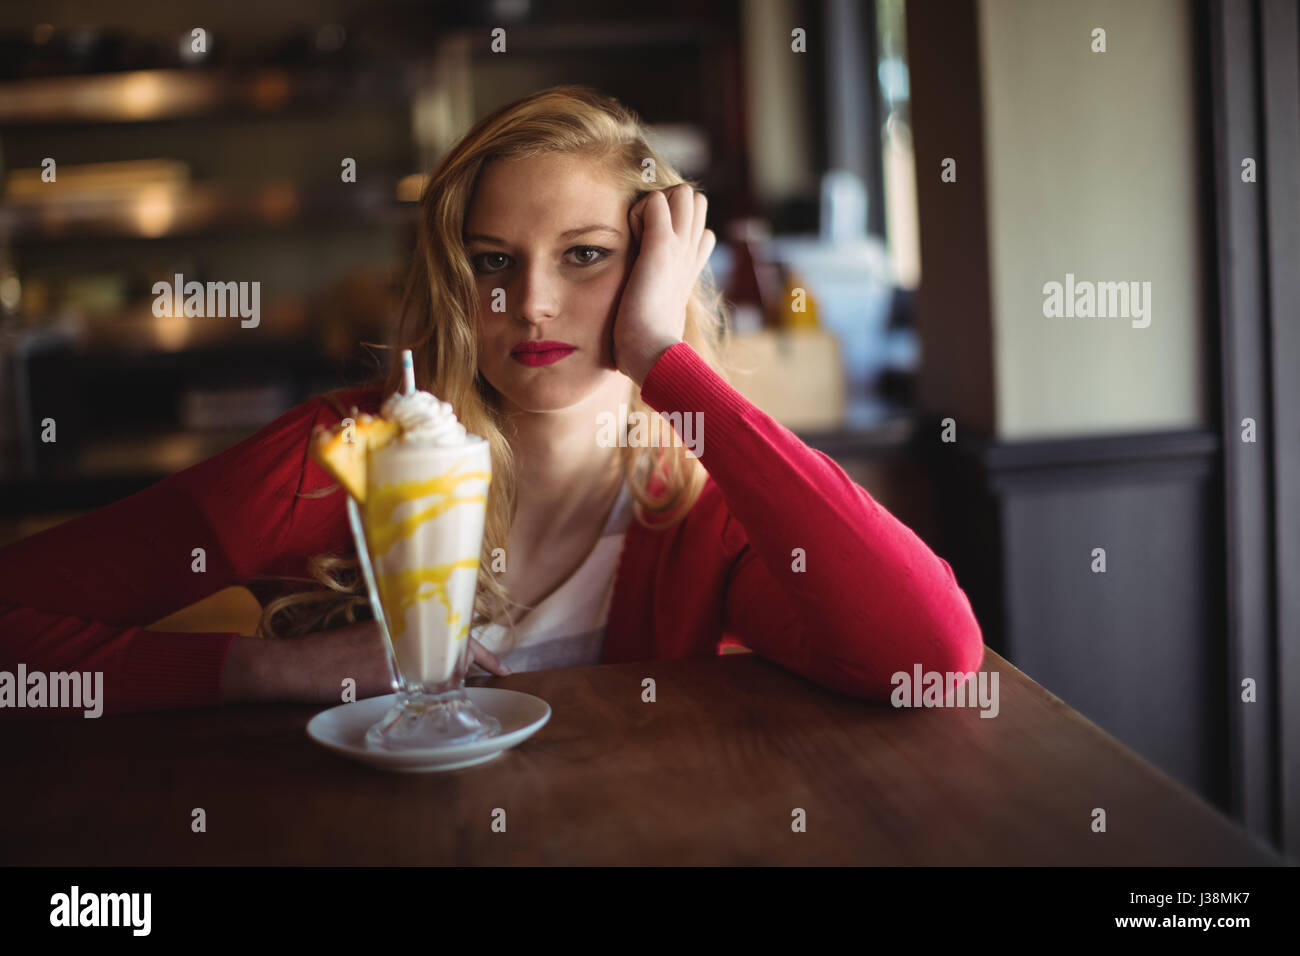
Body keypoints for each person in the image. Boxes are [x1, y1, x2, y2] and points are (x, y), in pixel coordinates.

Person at [0, 86, 984, 718]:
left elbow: (930, 655)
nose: (533, 303)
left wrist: (666, 361)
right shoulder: (338, 458)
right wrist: (267, 671)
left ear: (654, 265)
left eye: (586, 255)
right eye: (493, 262)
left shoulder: (697, 509)